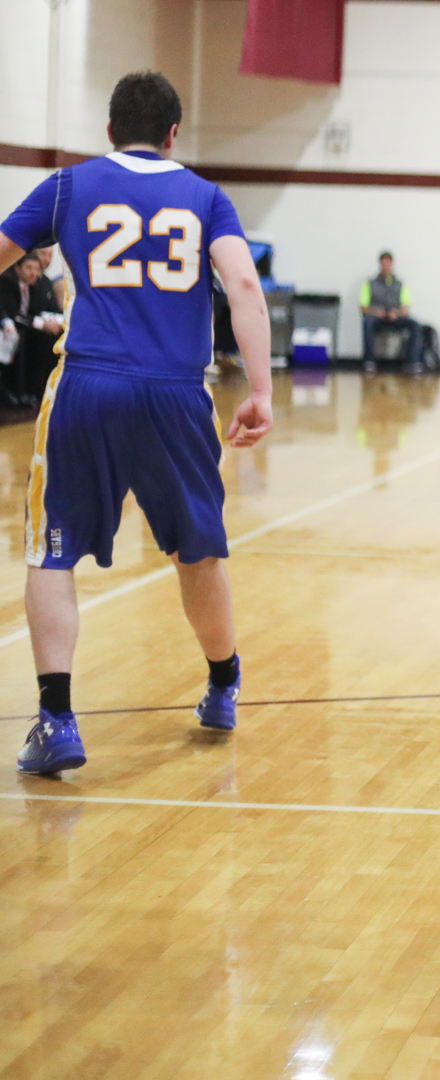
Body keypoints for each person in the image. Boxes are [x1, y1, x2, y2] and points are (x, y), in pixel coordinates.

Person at [1, 71, 274, 775]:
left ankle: (57, 721)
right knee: (197, 552)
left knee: (50, 549)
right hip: (178, 394)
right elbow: (244, 286)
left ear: (110, 129)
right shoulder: (206, 198)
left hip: (88, 386)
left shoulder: (67, 186)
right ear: (174, 133)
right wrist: (263, 392)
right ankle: (222, 683)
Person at [0, 251, 64, 405]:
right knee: (20, 339)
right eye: (29, 268)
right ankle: (15, 393)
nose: (33, 273)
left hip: (21, 327)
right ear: (17, 267)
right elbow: (12, 313)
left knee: (49, 338)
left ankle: (39, 390)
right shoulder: (7, 282)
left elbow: (34, 312)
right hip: (7, 328)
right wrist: (41, 324)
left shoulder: (36, 284)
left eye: (36, 269)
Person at [360, 251, 422, 370]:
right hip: (377, 317)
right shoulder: (369, 283)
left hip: (396, 317)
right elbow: (364, 307)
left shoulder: (400, 284)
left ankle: (412, 361)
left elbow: (405, 308)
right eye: (384, 263)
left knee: (415, 324)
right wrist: (378, 313)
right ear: (380, 264)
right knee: (367, 322)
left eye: (388, 263)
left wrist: (396, 313)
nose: (386, 266)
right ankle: (369, 361)